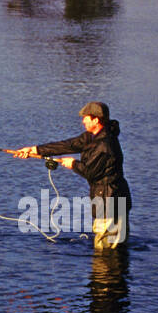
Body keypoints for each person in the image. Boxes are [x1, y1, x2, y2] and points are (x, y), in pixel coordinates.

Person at [14, 102, 132, 249]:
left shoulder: (104, 145)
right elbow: (68, 145)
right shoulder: (92, 137)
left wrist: (73, 164)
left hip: (111, 200)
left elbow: (90, 172)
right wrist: (35, 150)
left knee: (107, 249)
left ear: (96, 120)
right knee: (112, 246)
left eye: (86, 118)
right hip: (109, 197)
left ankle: (106, 271)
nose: (83, 121)